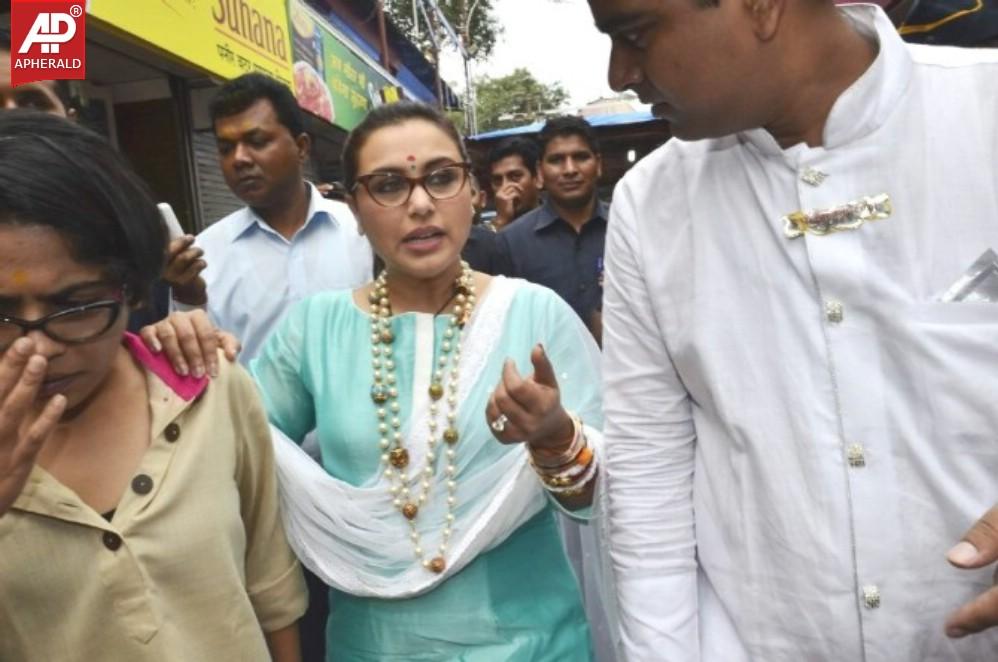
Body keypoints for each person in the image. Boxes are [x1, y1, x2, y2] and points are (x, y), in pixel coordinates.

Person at [588, 0, 998, 659]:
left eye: (635, 34)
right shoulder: (649, 205)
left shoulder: (985, 114)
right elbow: (649, 473)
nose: (619, 73)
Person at [247, 100, 607, 660]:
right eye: (388, 185)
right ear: (356, 210)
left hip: (533, 646)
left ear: (473, 193)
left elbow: (604, 496)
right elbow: (242, 447)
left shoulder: (536, 314)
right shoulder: (315, 329)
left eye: (441, 178)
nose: (419, 205)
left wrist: (556, 437)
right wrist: (191, 364)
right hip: (371, 648)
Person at [0, 111, 306, 660]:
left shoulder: (210, 389)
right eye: (1, 314)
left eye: (77, 306)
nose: (36, 347)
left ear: (134, 290)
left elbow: (269, 588)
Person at [0, 27, 208, 332]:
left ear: (70, 119)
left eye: (32, 103)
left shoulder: (127, 226)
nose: (13, 119)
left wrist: (187, 295)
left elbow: (155, 343)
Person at [194, 73, 372, 364]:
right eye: (226, 148)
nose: (239, 159)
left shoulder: (362, 231)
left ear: (301, 147)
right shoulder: (206, 256)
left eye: (257, 141)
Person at [495, 116, 608, 336]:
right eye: (557, 160)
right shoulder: (511, 243)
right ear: (539, 172)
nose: (569, 169)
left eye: (580, 157)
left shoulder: (627, 227)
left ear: (599, 165)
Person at [487, 136, 542, 230]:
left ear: (537, 177)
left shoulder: (560, 220)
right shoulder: (485, 229)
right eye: (497, 180)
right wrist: (501, 222)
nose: (504, 187)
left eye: (515, 176)